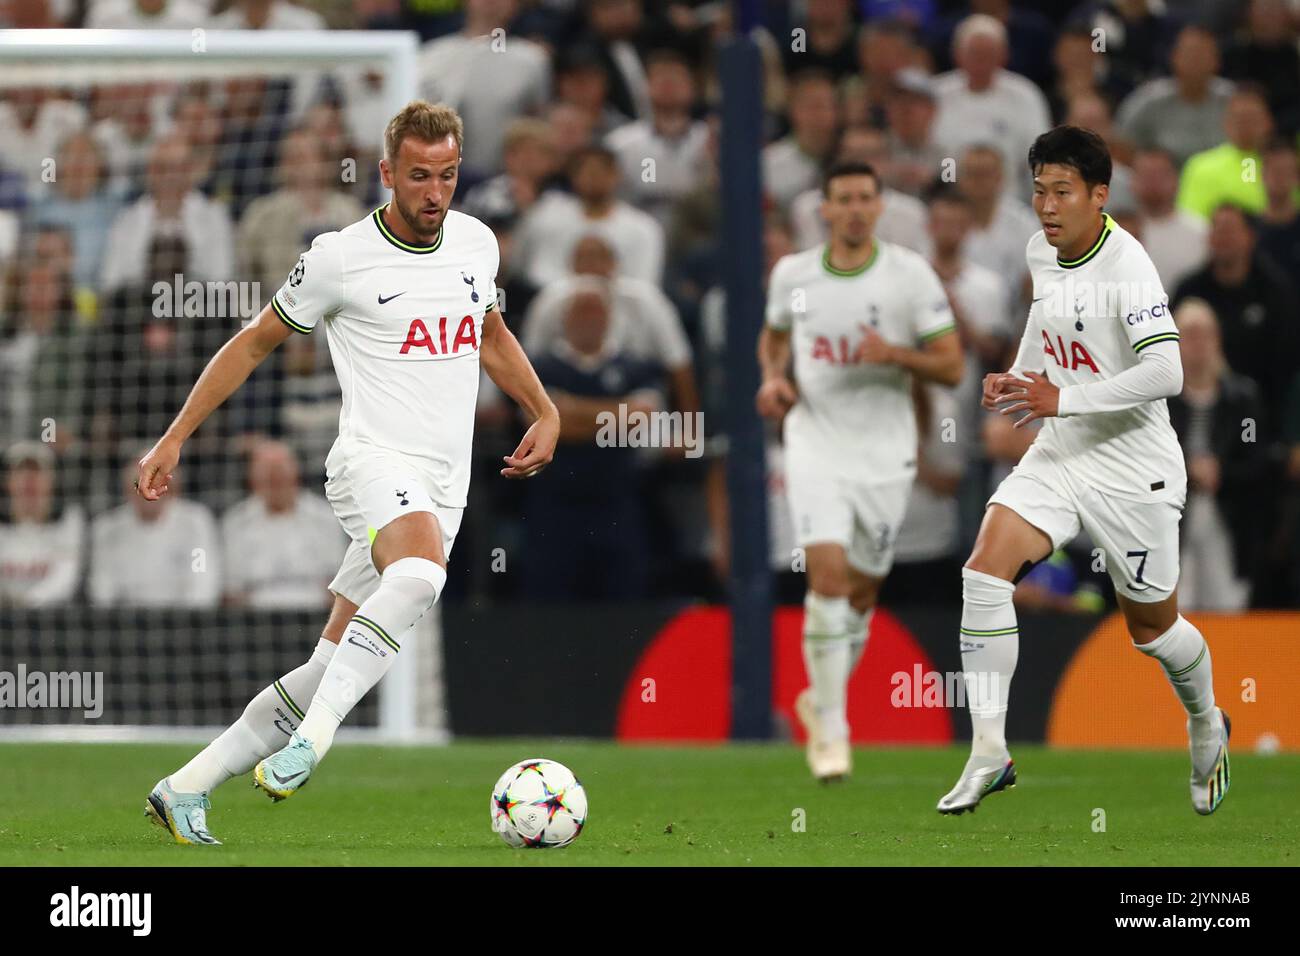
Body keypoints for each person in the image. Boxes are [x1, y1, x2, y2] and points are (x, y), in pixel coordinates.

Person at [134, 101, 559, 846]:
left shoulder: (476, 243)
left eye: (449, 176)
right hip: (368, 461)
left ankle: (185, 786)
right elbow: (253, 342)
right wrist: (174, 437)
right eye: (420, 177)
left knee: (324, 666)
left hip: (441, 484)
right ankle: (317, 743)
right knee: (423, 577)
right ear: (387, 173)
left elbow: (489, 334)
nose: (435, 193)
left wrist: (544, 410)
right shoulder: (338, 256)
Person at [939, 126, 1230, 818]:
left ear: (1099, 196)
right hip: (1063, 450)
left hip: (1134, 468)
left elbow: (1168, 371)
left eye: (1062, 191)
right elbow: (1047, 326)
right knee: (984, 572)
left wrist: (1059, 398)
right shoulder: (1044, 250)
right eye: (1038, 189)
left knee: (1152, 630)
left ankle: (1207, 721)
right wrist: (1019, 376)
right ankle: (988, 750)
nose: (1046, 204)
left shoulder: (1128, 266)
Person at [757, 160, 963, 781]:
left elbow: (951, 366)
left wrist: (894, 354)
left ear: (879, 207)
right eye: (841, 198)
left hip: (885, 450)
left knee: (864, 588)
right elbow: (775, 337)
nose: (852, 209)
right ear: (824, 209)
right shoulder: (792, 274)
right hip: (815, 439)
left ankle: (819, 700)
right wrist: (773, 379)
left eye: (864, 199)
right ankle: (834, 733)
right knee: (827, 581)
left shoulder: (909, 275)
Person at [220, 440, 347, 610]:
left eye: (281, 476)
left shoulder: (326, 517)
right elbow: (230, 590)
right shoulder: (235, 522)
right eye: (269, 478)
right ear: (253, 480)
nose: (276, 484)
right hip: (253, 619)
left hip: (316, 615)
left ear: (296, 475)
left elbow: (339, 584)